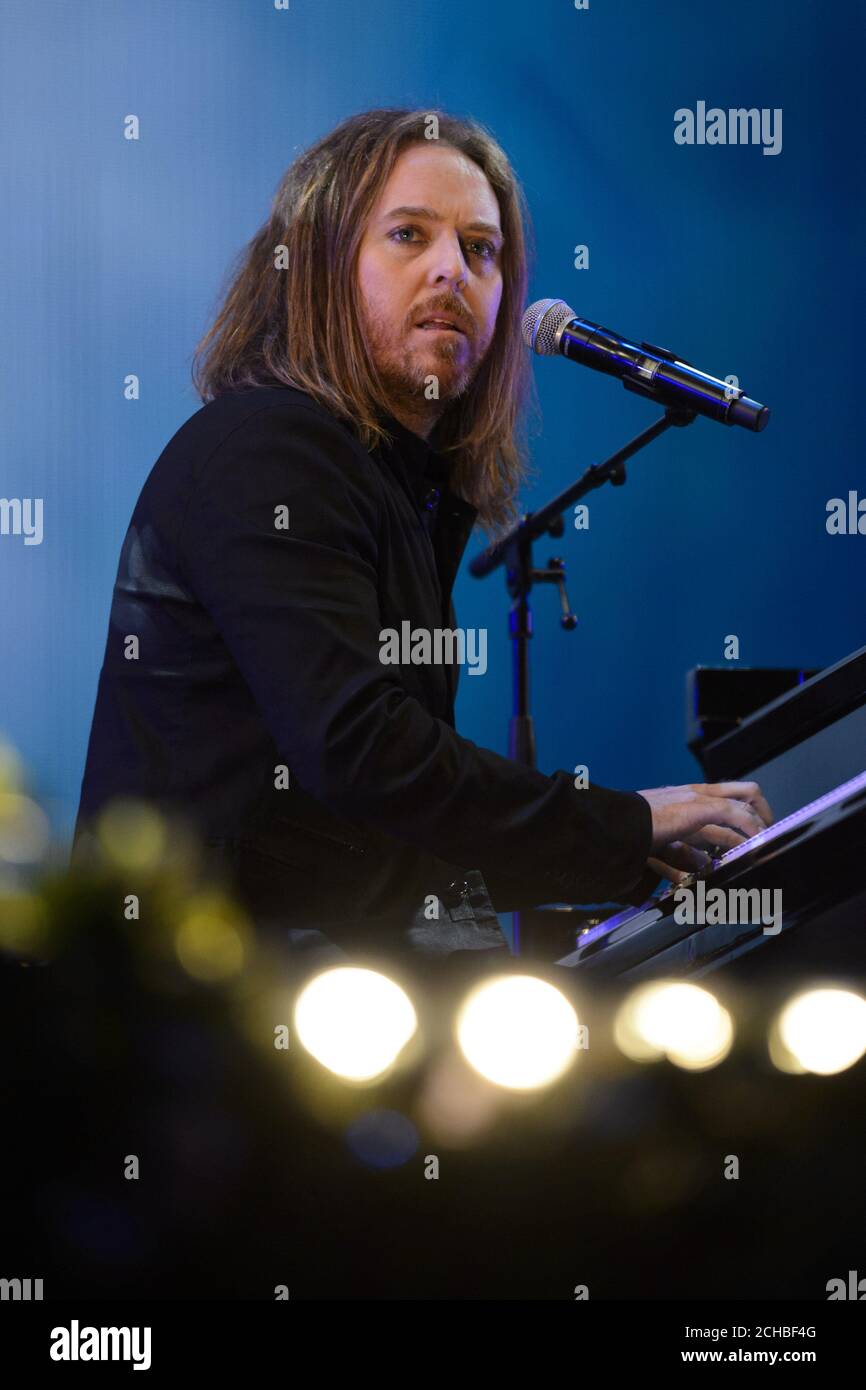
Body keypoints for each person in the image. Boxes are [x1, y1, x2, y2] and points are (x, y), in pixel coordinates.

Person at [71, 107, 772, 959]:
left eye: (482, 249)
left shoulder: (400, 485)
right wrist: (622, 827)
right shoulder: (270, 447)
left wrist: (627, 868)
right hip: (197, 1020)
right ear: (318, 269)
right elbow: (361, 754)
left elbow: (393, 832)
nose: (454, 271)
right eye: (409, 235)